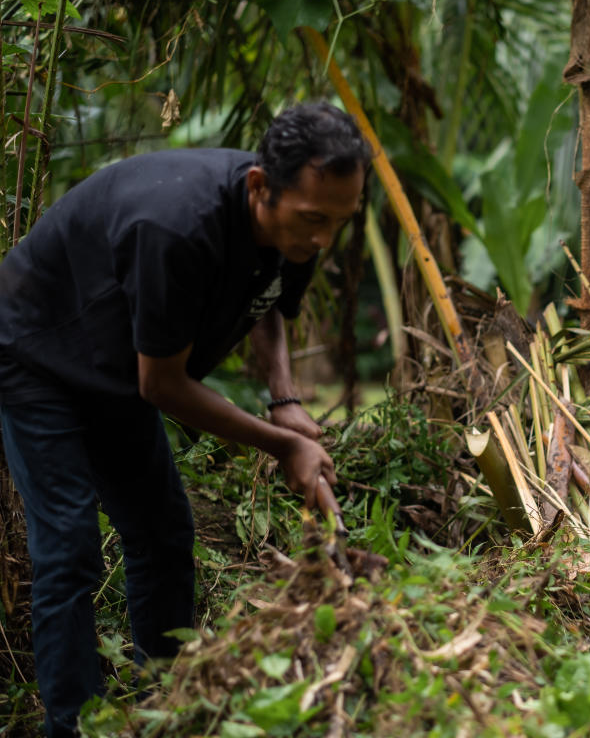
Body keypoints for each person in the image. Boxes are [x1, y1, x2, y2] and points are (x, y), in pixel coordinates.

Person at [0, 102, 372, 736]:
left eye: (339, 222)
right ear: (260, 187)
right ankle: (73, 725)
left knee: (165, 534)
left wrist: (284, 395)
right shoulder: (178, 228)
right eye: (313, 220)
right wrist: (283, 446)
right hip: (37, 355)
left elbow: (273, 300)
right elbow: (163, 384)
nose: (321, 240)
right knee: (69, 547)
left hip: (116, 364)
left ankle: (169, 706)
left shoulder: (301, 220)